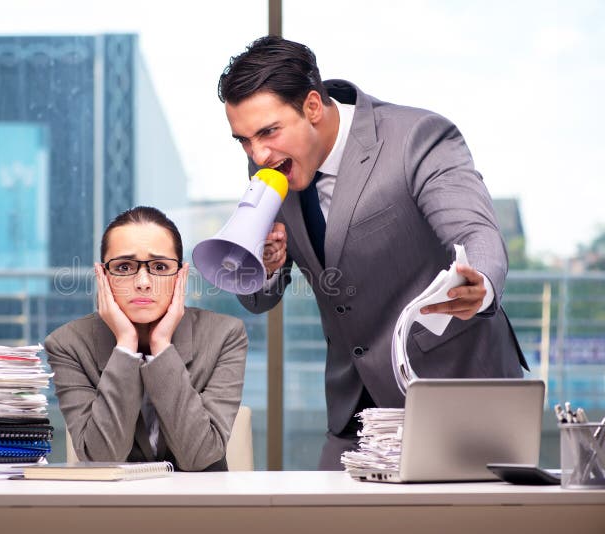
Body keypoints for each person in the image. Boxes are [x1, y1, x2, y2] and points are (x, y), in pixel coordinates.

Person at [218, 36, 528, 469]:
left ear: (311, 106)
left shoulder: (416, 137)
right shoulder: (270, 164)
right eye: (244, 140)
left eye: (268, 131)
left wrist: (480, 282)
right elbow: (258, 299)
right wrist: (267, 266)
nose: (258, 154)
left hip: (452, 392)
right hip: (354, 413)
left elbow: (477, 232)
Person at [44, 206, 248, 472]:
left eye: (160, 266)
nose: (142, 282)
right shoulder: (68, 345)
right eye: (125, 266)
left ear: (180, 276)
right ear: (103, 275)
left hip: (200, 507)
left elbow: (199, 457)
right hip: (114, 509)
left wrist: (161, 346)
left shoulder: (224, 336)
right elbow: (102, 458)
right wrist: (125, 346)